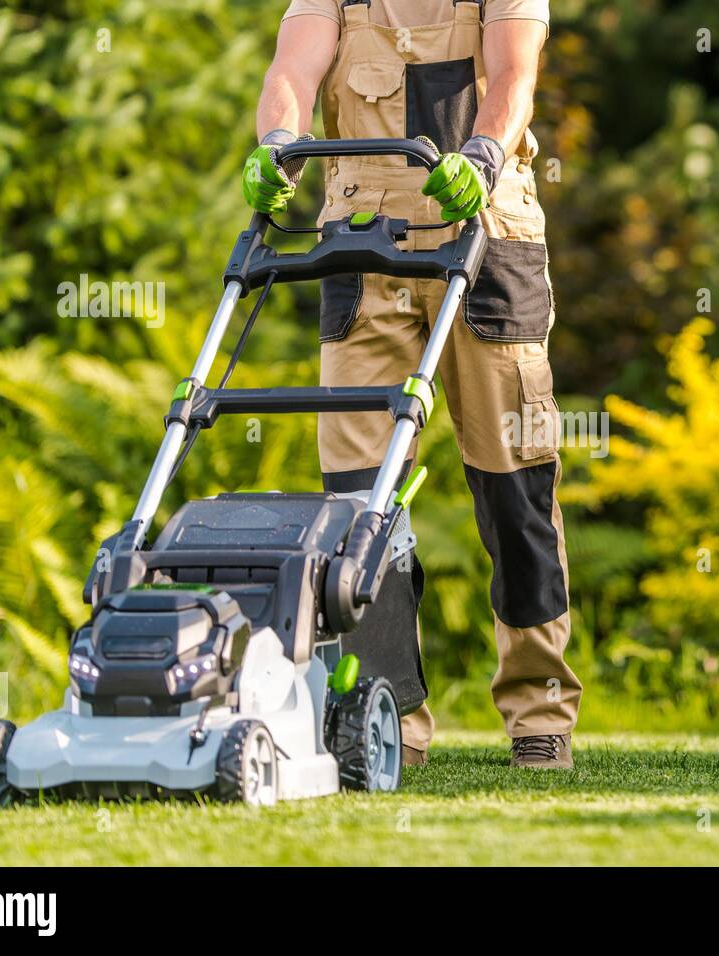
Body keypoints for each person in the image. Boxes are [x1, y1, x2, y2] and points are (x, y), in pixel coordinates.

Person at [242, 0, 580, 768]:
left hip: (486, 238)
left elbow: (512, 76)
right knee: (359, 502)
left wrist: (486, 153)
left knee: (514, 485)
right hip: (361, 248)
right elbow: (291, 71)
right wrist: (277, 146)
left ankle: (540, 709)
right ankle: (386, 713)